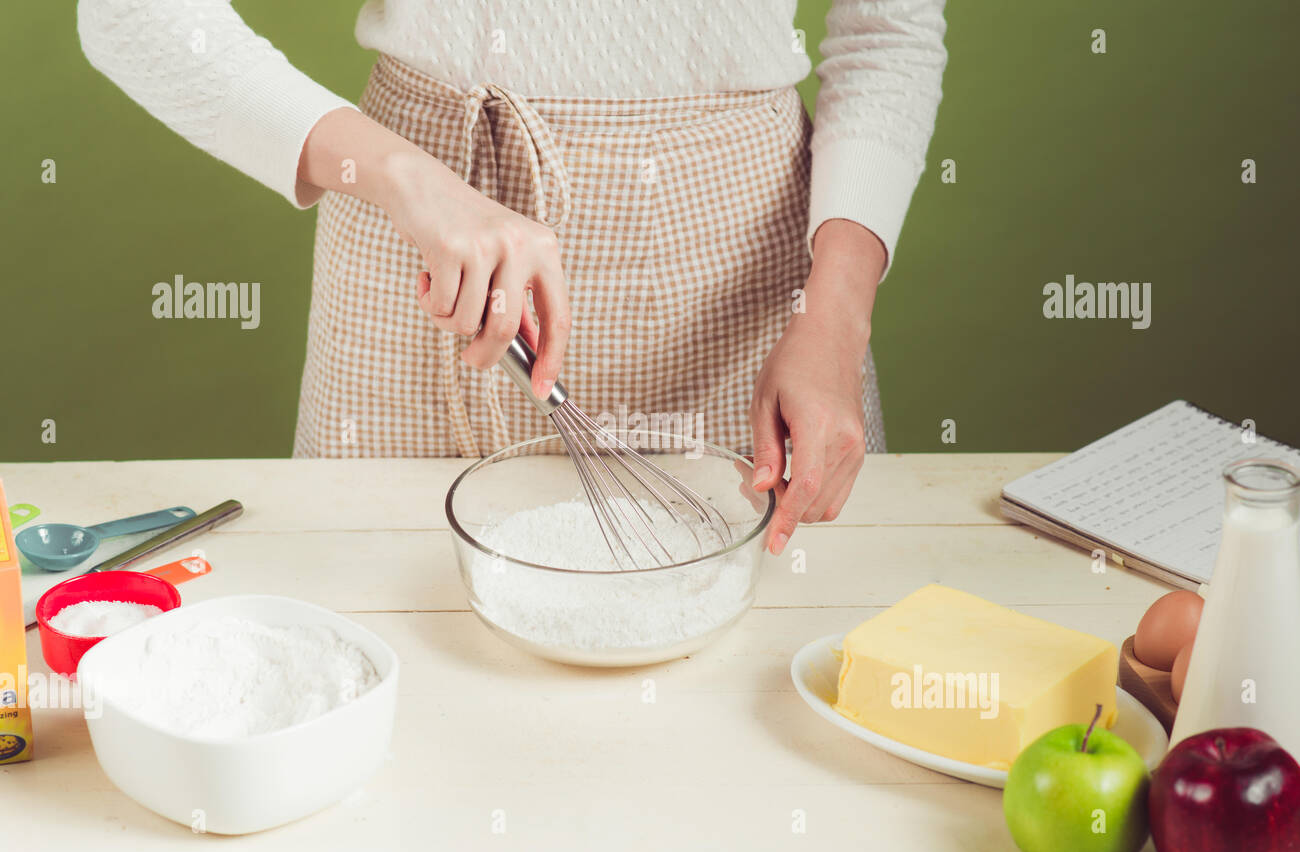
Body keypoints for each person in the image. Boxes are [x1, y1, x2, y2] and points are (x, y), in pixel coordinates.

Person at [78, 0, 947, 554]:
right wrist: (408, 179)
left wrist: (837, 314)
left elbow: (890, 32)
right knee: (378, 654)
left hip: (744, 288)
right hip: (423, 244)